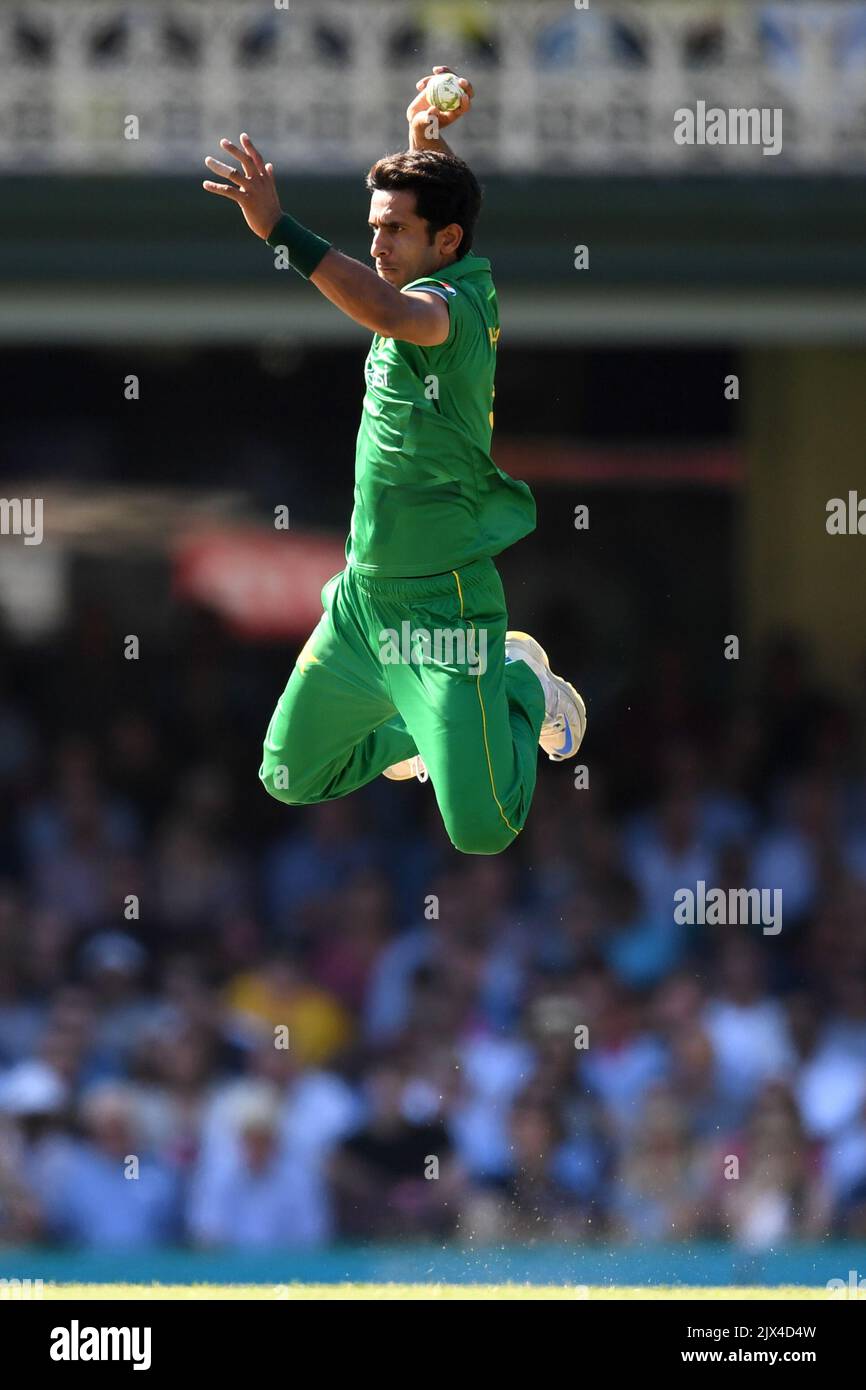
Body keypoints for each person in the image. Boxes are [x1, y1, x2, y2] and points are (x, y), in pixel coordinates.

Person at [202, 67, 586, 857]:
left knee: (481, 831)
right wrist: (423, 141)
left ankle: (520, 683)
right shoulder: (424, 267)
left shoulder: (452, 308)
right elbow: (409, 249)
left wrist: (279, 228)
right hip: (364, 600)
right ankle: (416, 727)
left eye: (393, 232)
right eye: (372, 227)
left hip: (444, 608)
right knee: (289, 773)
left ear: (445, 244)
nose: (376, 246)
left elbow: (387, 310)